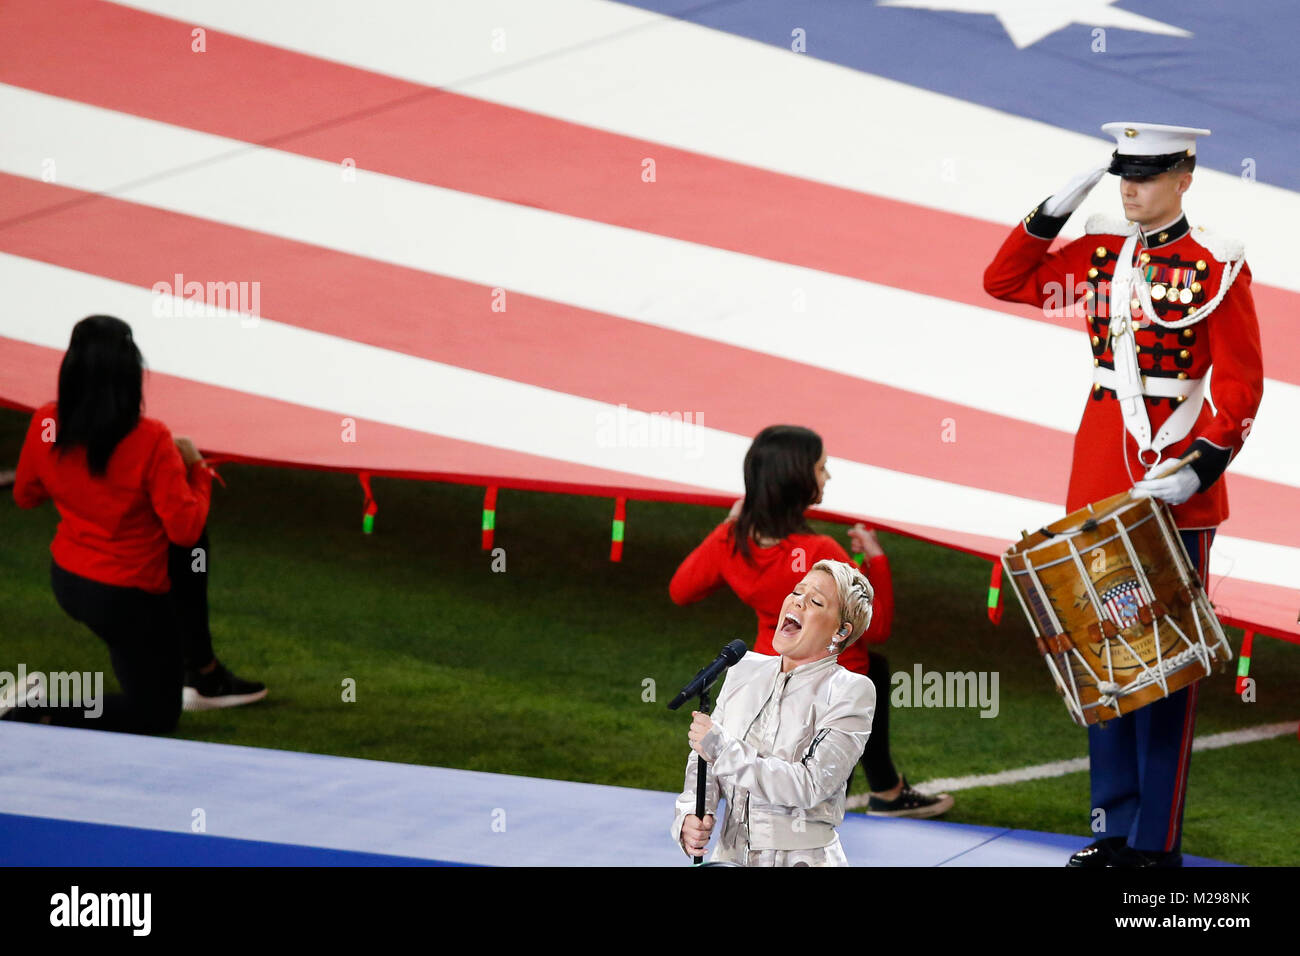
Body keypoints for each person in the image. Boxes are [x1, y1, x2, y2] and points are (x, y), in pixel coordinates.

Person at [983, 123, 1264, 867]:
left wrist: (1200, 465)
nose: (1129, 187)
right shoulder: (1102, 251)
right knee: (1100, 653)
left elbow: (1239, 384)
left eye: (1146, 174)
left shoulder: (1217, 264)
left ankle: (1154, 843)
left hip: (1171, 481)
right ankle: (1112, 828)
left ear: (1185, 176)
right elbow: (1005, 281)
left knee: (1165, 667)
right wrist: (1054, 209)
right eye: (1121, 175)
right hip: (1099, 471)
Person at [670, 424, 952, 817]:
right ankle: (885, 793)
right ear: (798, 479)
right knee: (815, 813)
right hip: (829, 683)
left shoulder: (733, 542)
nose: (828, 476)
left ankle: (887, 789)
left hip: (770, 674)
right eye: (822, 467)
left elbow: (681, 589)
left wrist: (727, 527)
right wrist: (877, 559)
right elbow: (878, 626)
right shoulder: (821, 552)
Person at [6, 315, 266, 733]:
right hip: (128, 597)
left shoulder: (46, 422)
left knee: (151, 688)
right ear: (131, 374)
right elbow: (185, 529)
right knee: (155, 716)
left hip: (71, 581)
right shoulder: (151, 439)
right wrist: (197, 469)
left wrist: (77, 487)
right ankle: (37, 709)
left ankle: (202, 670)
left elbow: (25, 495)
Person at [671, 560, 875, 865]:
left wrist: (722, 748)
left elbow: (811, 785)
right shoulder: (743, 669)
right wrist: (692, 812)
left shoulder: (851, 691)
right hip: (729, 857)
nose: (797, 601)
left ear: (841, 631)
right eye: (796, 591)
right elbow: (705, 756)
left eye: (816, 601)